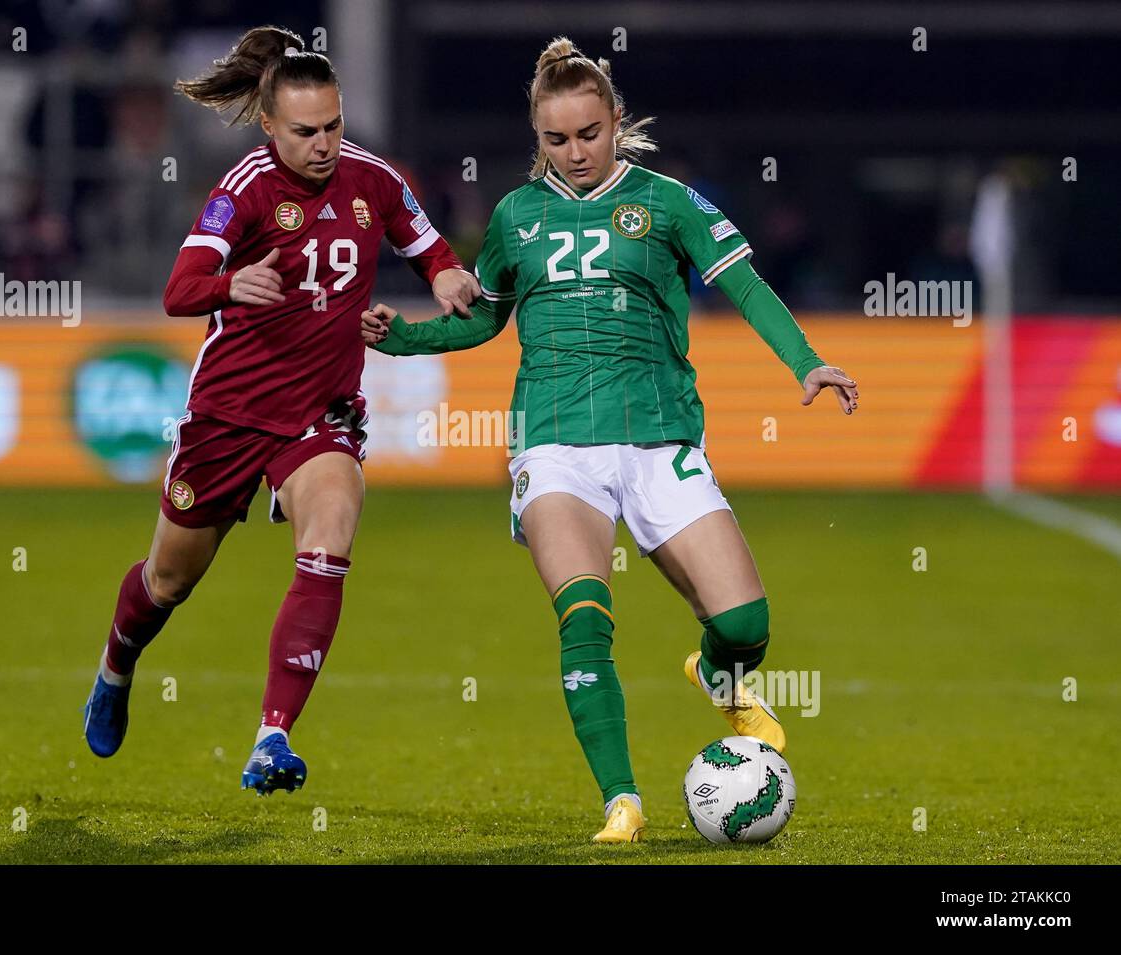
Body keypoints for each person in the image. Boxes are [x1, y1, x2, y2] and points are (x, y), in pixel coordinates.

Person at [362, 37, 858, 843]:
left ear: (616, 122)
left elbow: (743, 281)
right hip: (554, 441)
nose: (575, 152)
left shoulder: (668, 202)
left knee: (745, 622)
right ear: (537, 138)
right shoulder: (518, 216)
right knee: (585, 612)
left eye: (589, 134)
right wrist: (401, 340)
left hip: (659, 436)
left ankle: (722, 675)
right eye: (556, 140)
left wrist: (807, 361)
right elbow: (486, 317)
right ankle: (620, 799)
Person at [82, 25, 479, 797]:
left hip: (321, 411)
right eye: (306, 131)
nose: (325, 143)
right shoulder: (243, 190)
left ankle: (272, 736)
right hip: (229, 413)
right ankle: (115, 667)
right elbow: (178, 291)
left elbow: (426, 244)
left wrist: (446, 278)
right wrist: (232, 284)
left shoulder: (374, 180)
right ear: (270, 125)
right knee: (167, 581)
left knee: (330, 538)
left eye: (334, 125)